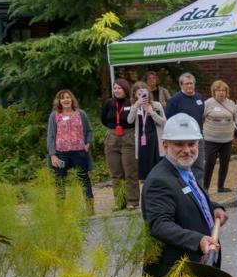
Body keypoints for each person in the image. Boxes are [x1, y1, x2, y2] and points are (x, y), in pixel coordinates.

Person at [141, 114, 226, 277]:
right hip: (173, 276)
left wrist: (215, 208)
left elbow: (196, 199)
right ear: (165, 145)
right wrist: (198, 240)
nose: (187, 149)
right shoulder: (159, 180)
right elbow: (160, 225)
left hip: (190, 272)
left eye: (192, 144)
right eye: (179, 144)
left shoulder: (184, 171)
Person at [46, 89, 94, 204]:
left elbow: (89, 131)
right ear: (59, 101)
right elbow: (50, 136)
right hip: (61, 154)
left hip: (79, 152)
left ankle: (89, 207)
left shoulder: (81, 114)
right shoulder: (54, 115)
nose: (65, 100)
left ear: (72, 99)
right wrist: (52, 155)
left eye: (68, 97)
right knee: (60, 181)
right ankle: (62, 209)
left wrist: (87, 143)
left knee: (84, 179)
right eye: (62, 98)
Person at [100, 79, 139, 209]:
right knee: (116, 173)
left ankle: (132, 201)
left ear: (125, 89)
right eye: (115, 88)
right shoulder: (109, 103)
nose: (116, 90)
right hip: (112, 137)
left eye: (119, 88)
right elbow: (103, 119)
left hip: (128, 138)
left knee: (130, 172)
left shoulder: (132, 102)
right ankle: (120, 201)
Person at [165, 73, 207, 179]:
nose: (189, 86)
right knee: (182, 166)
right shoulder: (174, 100)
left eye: (191, 83)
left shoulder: (199, 97)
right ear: (181, 85)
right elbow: (170, 120)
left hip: (197, 138)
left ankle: (198, 191)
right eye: (187, 84)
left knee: (199, 167)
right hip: (181, 140)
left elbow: (201, 115)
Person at [202, 79, 237, 192]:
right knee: (210, 162)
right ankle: (205, 187)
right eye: (218, 90)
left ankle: (221, 186)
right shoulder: (208, 103)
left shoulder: (231, 103)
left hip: (227, 139)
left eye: (223, 90)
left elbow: (234, 118)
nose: (221, 92)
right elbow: (202, 118)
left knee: (225, 162)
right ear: (214, 91)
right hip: (211, 139)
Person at [130, 82, 167, 182]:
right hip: (142, 142)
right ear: (135, 95)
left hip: (155, 141)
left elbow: (164, 123)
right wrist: (136, 105)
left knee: (158, 169)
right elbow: (129, 120)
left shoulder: (156, 105)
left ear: (148, 93)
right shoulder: (135, 107)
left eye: (144, 93)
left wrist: (151, 112)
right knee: (145, 173)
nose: (142, 96)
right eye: (139, 94)